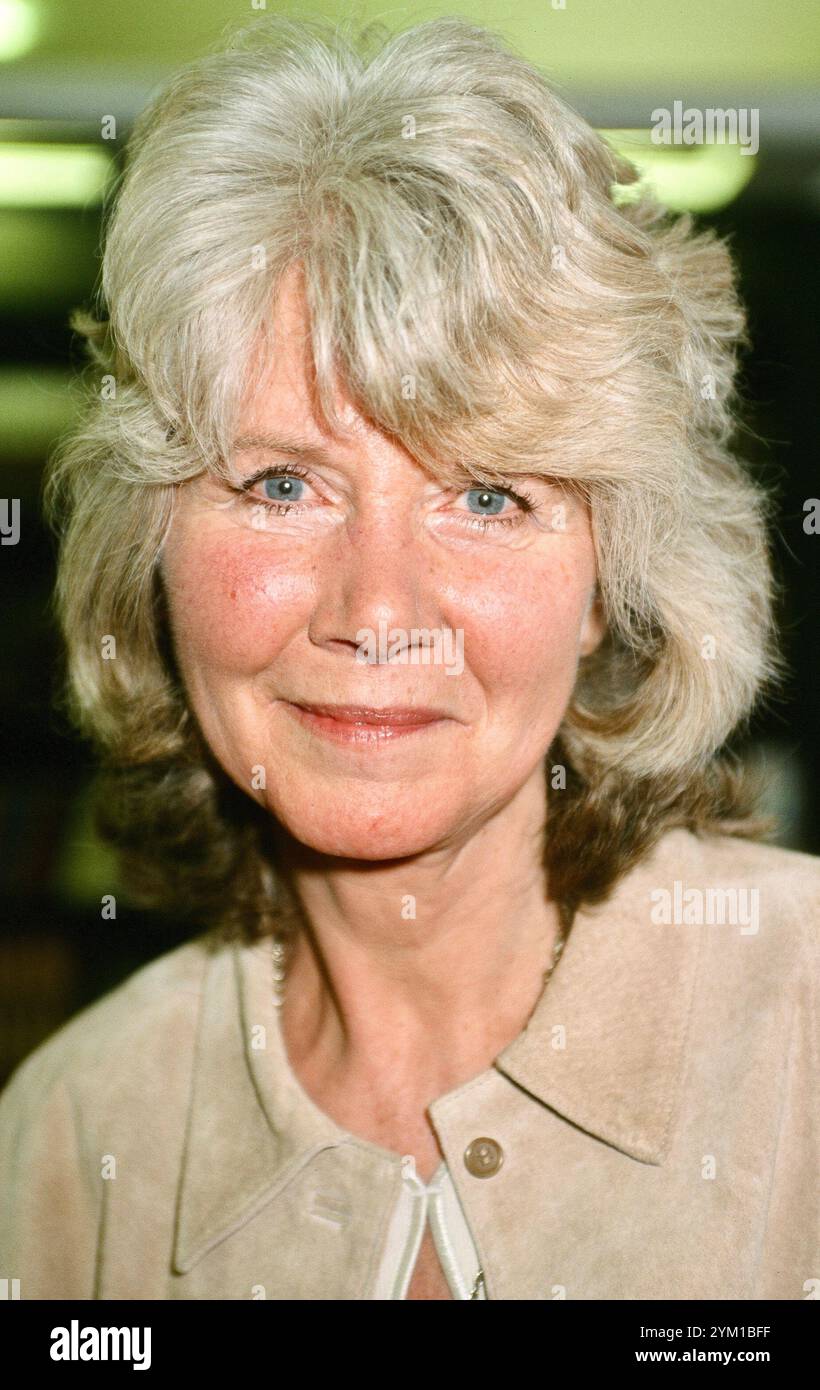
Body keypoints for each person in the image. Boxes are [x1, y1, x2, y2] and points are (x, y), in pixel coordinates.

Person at [1, 14, 817, 1301]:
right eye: (281, 483)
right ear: (153, 555)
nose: (379, 608)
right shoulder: (70, 1134)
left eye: (487, 497)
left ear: (609, 586)